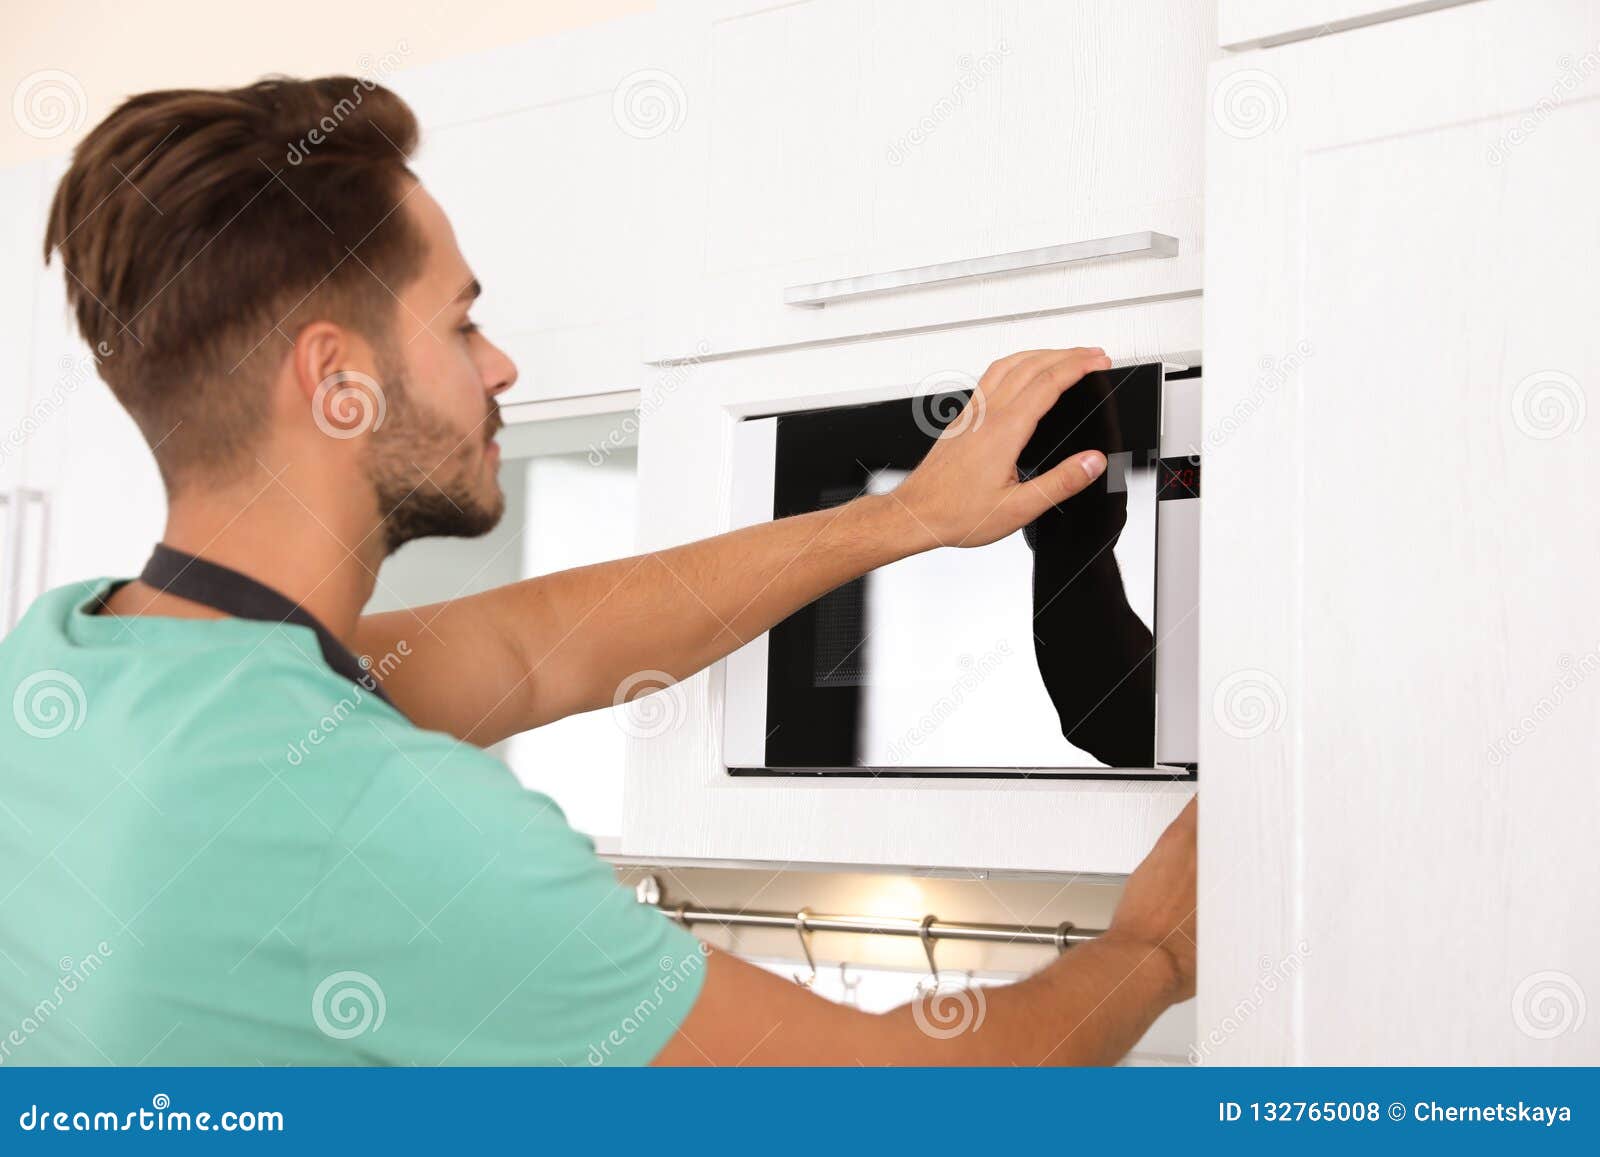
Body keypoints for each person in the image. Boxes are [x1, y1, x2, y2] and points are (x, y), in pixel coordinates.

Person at [0, 77, 1195, 1066]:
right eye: (461, 322)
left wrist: (907, 519)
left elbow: (537, 645)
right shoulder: (381, 821)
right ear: (334, 380)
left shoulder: (65, 669)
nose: (503, 363)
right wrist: (1151, 953)